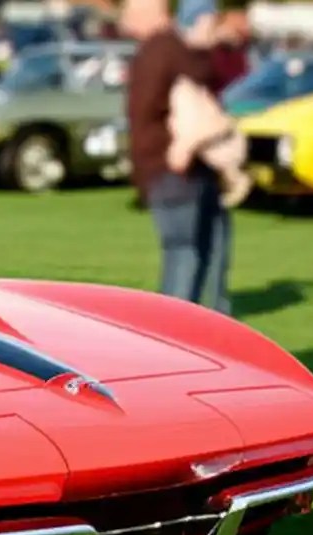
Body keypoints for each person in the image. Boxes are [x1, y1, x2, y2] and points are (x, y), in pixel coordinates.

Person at [124, 0, 232, 315]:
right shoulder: (170, 49)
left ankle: (176, 332)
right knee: (190, 256)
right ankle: (184, 332)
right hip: (176, 166)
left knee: (183, 256)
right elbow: (207, 81)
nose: (126, 17)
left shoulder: (158, 50)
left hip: (166, 168)